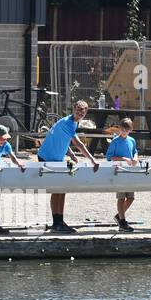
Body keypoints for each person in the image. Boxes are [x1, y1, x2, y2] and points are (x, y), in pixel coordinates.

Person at [37, 100, 100, 234]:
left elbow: (63, 139)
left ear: (85, 113)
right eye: (77, 110)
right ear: (73, 109)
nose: (79, 113)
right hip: (47, 158)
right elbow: (79, 144)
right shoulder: (68, 122)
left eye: (82, 111)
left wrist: (71, 155)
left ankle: (60, 220)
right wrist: (93, 160)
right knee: (57, 189)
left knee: (63, 188)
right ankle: (56, 223)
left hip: (56, 158)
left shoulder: (71, 122)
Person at [105, 118, 139, 233]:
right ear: (119, 128)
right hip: (119, 171)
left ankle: (119, 216)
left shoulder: (132, 140)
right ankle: (123, 222)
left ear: (131, 130)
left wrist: (135, 158)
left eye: (127, 129)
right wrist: (123, 158)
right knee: (121, 197)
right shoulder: (115, 141)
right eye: (122, 129)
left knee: (131, 197)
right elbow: (109, 157)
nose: (124, 131)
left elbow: (135, 151)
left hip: (129, 172)